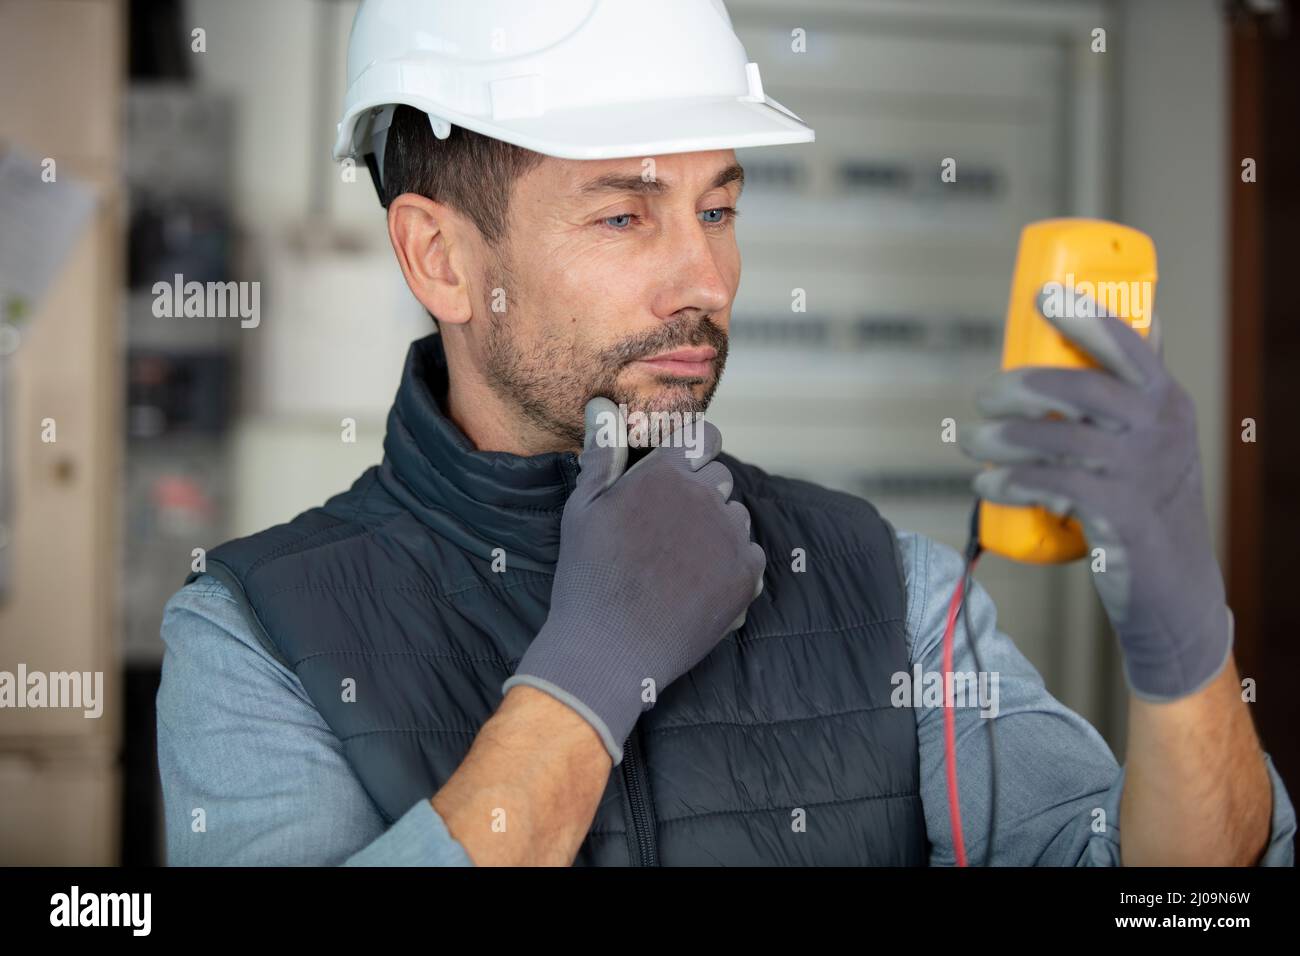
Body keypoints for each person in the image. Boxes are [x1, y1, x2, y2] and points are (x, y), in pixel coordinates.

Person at [156, 0, 1294, 866]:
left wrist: (1186, 649)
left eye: (718, 207)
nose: (704, 277)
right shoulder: (258, 633)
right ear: (440, 258)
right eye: (623, 214)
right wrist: (583, 681)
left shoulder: (879, 582)